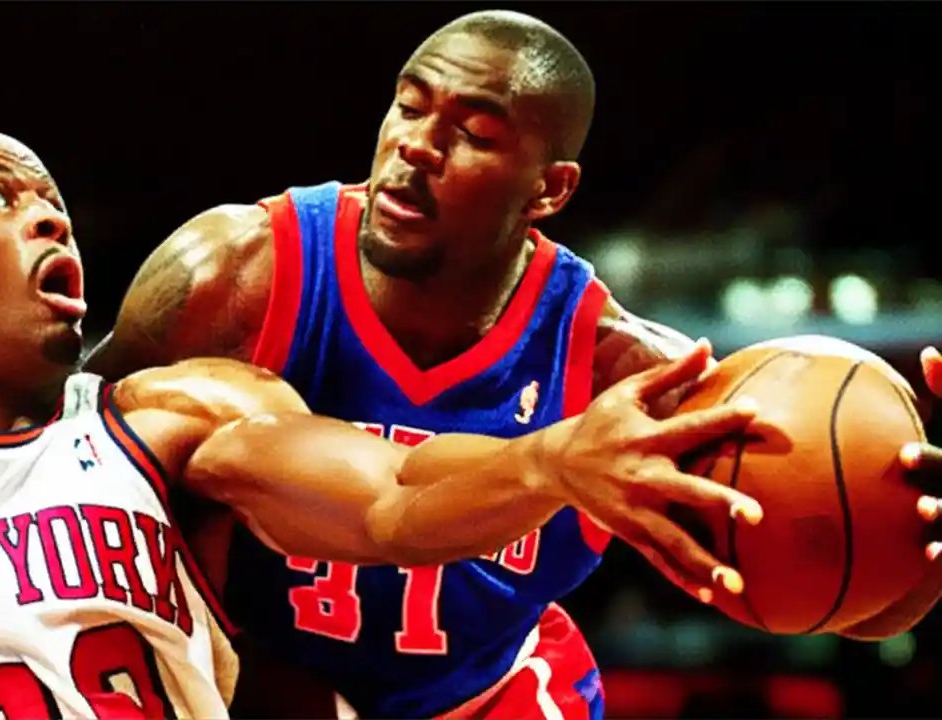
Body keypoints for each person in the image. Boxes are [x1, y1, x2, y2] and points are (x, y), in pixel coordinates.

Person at [0, 129, 769, 719]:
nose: (48, 216)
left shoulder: (169, 419)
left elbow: (391, 496)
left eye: (52, 201)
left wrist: (552, 460)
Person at [87, 10, 942, 718]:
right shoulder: (236, 276)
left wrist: (919, 545)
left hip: (486, 698)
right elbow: (65, 461)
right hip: (248, 681)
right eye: (409, 107)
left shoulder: (626, 374)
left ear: (550, 189)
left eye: (474, 134)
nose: (417, 146)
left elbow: (842, 591)